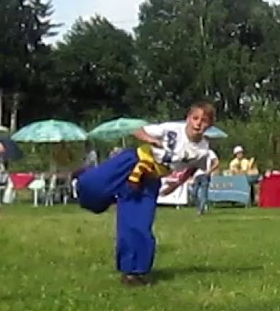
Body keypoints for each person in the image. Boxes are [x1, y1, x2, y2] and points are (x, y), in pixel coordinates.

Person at [76, 102, 215, 286]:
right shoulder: (171, 129)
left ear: (209, 125)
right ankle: (99, 196)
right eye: (195, 118)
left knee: (137, 226)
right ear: (188, 118)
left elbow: (192, 168)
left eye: (204, 121)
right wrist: (150, 139)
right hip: (132, 161)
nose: (198, 124)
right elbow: (137, 131)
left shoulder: (203, 150)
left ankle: (134, 272)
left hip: (149, 179)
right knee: (90, 184)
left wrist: (176, 184)